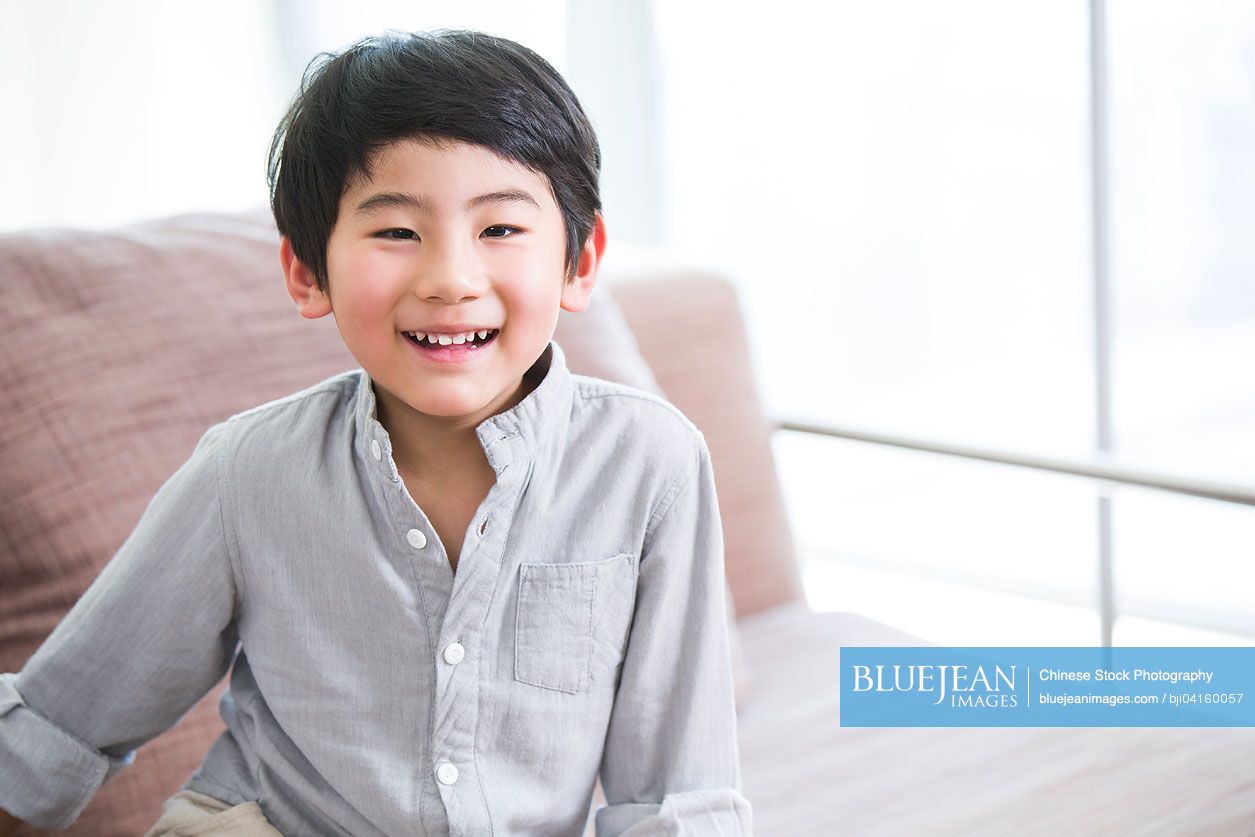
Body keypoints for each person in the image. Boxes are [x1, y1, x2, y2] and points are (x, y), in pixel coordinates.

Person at [0, 29, 750, 836]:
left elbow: (677, 796)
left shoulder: (651, 462)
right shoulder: (245, 472)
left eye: (499, 229)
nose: (450, 279)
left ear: (581, 260)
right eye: (396, 231)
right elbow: (58, 726)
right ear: (307, 272)